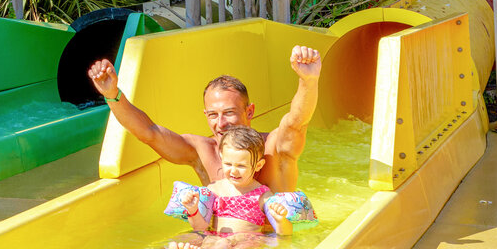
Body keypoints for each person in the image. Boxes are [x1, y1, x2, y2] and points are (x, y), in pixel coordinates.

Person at [87, 44, 322, 193]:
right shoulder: (203, 150)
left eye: (229, 113)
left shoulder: (273, 149)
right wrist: (113, 96)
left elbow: (296, 122)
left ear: (249, 112)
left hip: (266, 244)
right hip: (216, 239)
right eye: (213, 115)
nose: (220, 124)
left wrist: (308, 81)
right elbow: (149, 133)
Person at [120, 126, 296, 249]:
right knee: (186, 238)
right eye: (228, 164)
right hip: (214, 237)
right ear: (221, 157)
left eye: (241, 166)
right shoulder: (214, 189)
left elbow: (284, 234)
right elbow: (200, 228)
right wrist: (193, 209)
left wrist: (281, 220)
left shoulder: (263, 195)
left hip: (245, 241)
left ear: (258, 165)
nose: (233, 171)